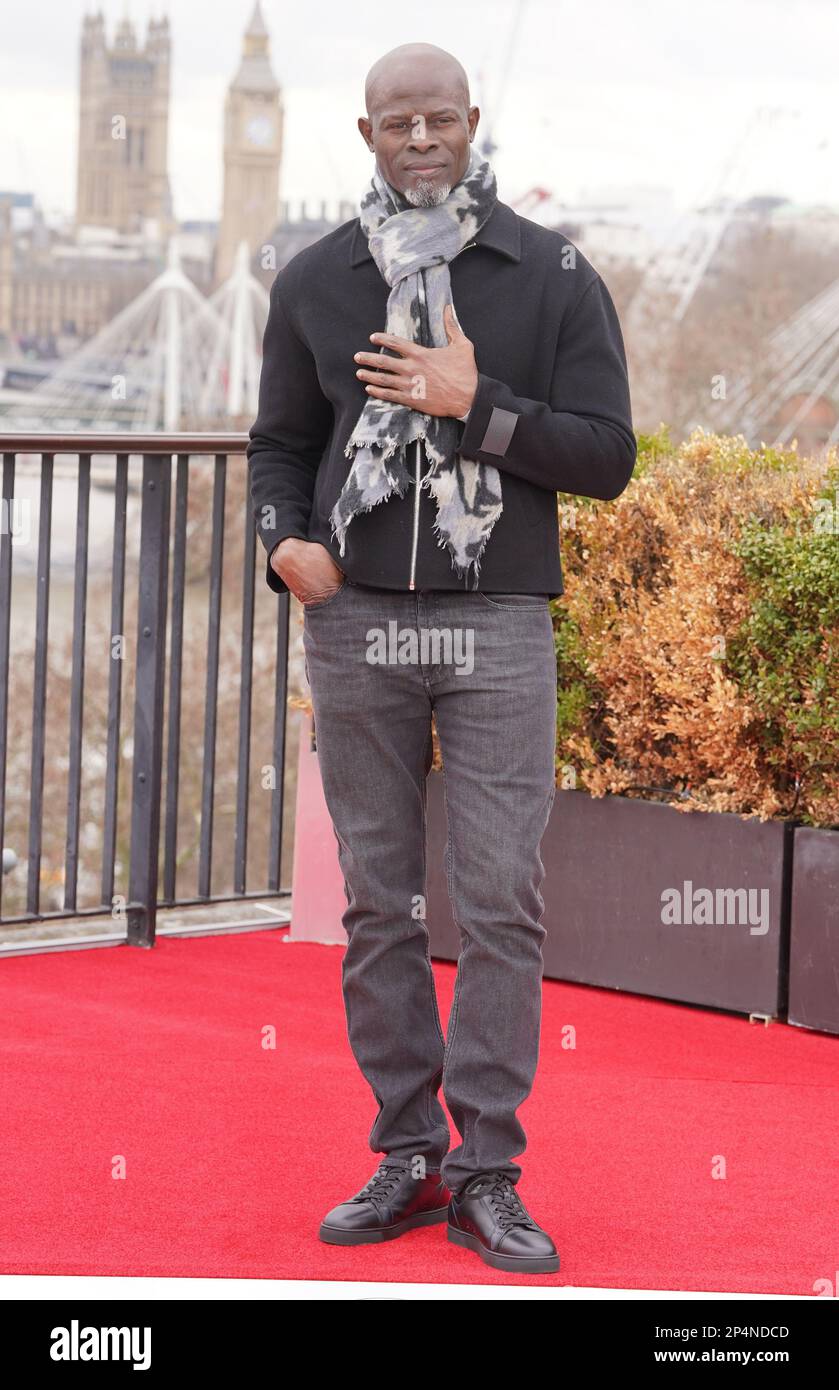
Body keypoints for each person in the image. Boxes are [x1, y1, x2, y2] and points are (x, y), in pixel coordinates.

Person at [247, 42, 636, 1275]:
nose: (418, 138)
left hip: (497, 621)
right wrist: (282, 547)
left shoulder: (552, 273)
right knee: (378, 904)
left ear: (471, 122)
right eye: (394, 122)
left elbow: (607, 455)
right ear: (366, 136)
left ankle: (487, 1169)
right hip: (355, 620)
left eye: (437, 119)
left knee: (502, 903)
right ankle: (408, 1153)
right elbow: (276, 443)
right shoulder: (314, 280)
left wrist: (475, 405)